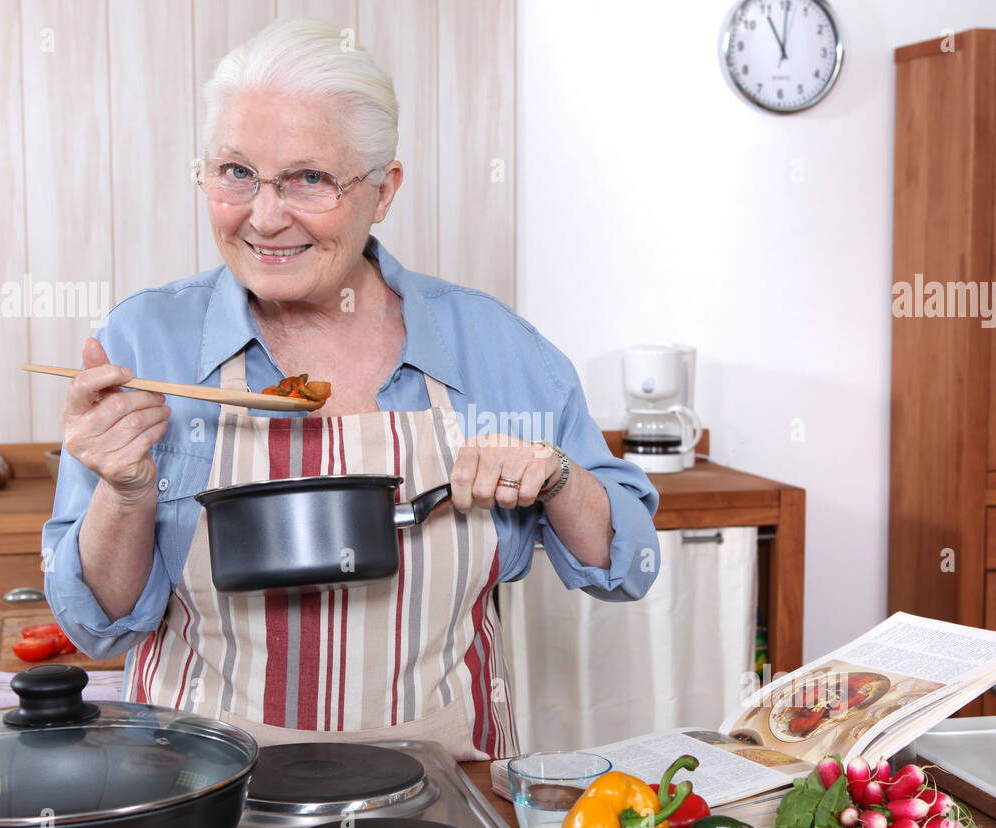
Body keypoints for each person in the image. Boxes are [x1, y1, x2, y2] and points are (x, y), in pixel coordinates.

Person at [42, 18, 659, 760]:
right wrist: (125, 492)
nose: (265, 217)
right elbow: (96, 626)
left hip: (447, 792)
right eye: (235, 172)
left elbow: (629, 567)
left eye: (309, 179)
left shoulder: (494, 347)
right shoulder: (145, 344)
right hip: (198, 791)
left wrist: (557, 478)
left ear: (383, 190)